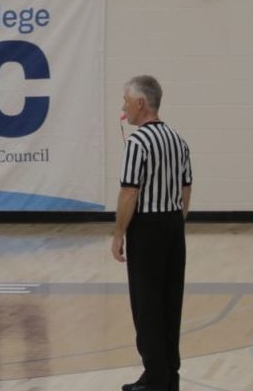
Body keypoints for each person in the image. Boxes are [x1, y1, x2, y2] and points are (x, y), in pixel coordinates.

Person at [112, 74, 191, 391]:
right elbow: (186, 189)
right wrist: (175, 222)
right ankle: (168, 375)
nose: (123, 107)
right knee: (170, 304)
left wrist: (119, 233)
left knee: (146, 307)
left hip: (146, 228)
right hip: (173, 223)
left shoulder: (137, 142)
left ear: (141, 103)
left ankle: (156, 381)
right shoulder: (177, 138)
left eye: (126, 100)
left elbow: (129, 192)